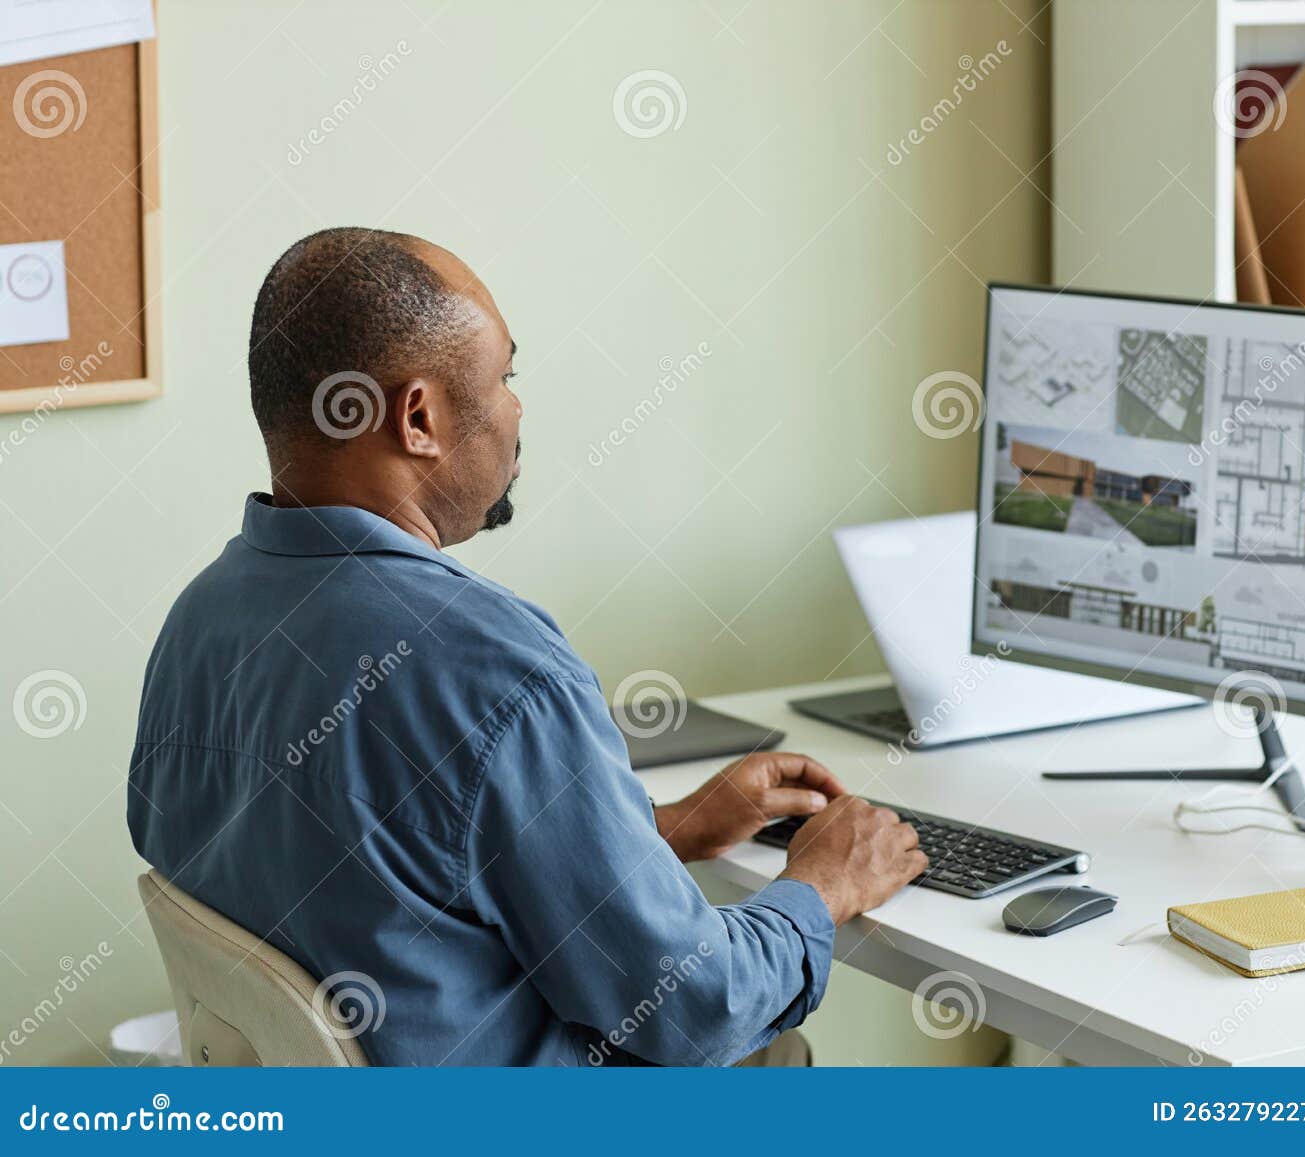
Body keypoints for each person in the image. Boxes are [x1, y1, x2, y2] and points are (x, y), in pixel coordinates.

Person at [127, 227, 927, 1066]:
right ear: (419, 418)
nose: (515, 407)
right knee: (776, 1055)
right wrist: (822, 883)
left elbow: (387, 884)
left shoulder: (197, 624)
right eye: (506, 375)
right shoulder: (495, 667)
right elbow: (694, 1011)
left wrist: (658, 832)